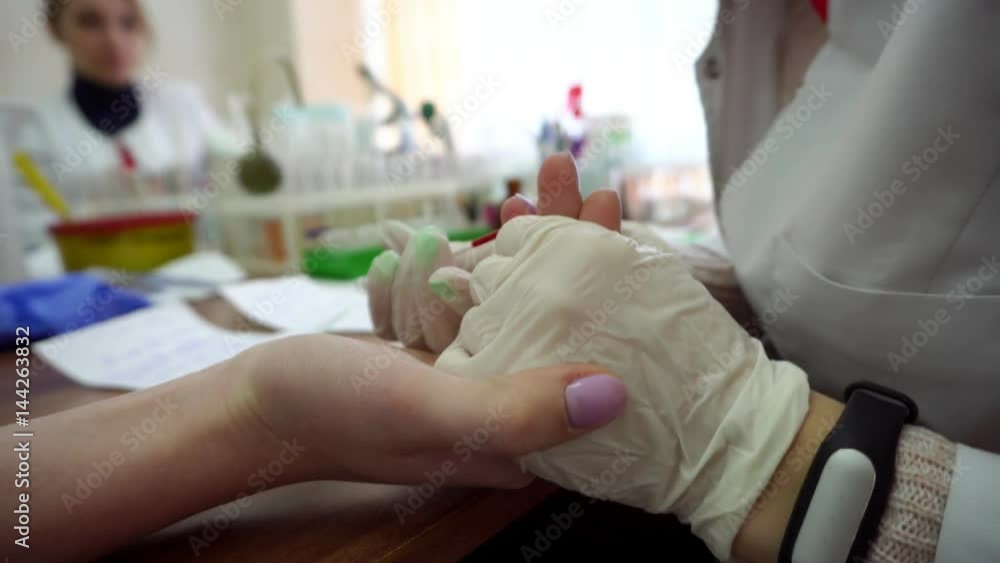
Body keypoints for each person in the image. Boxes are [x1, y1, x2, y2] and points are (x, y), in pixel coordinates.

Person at [13, 0, 237, 248]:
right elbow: (37, 245)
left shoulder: (184, 107)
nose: (113, 39)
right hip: (95, 281)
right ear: (56, 30)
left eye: (128, 23)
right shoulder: (40, 130)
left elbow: (240, 177)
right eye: (90, 22)